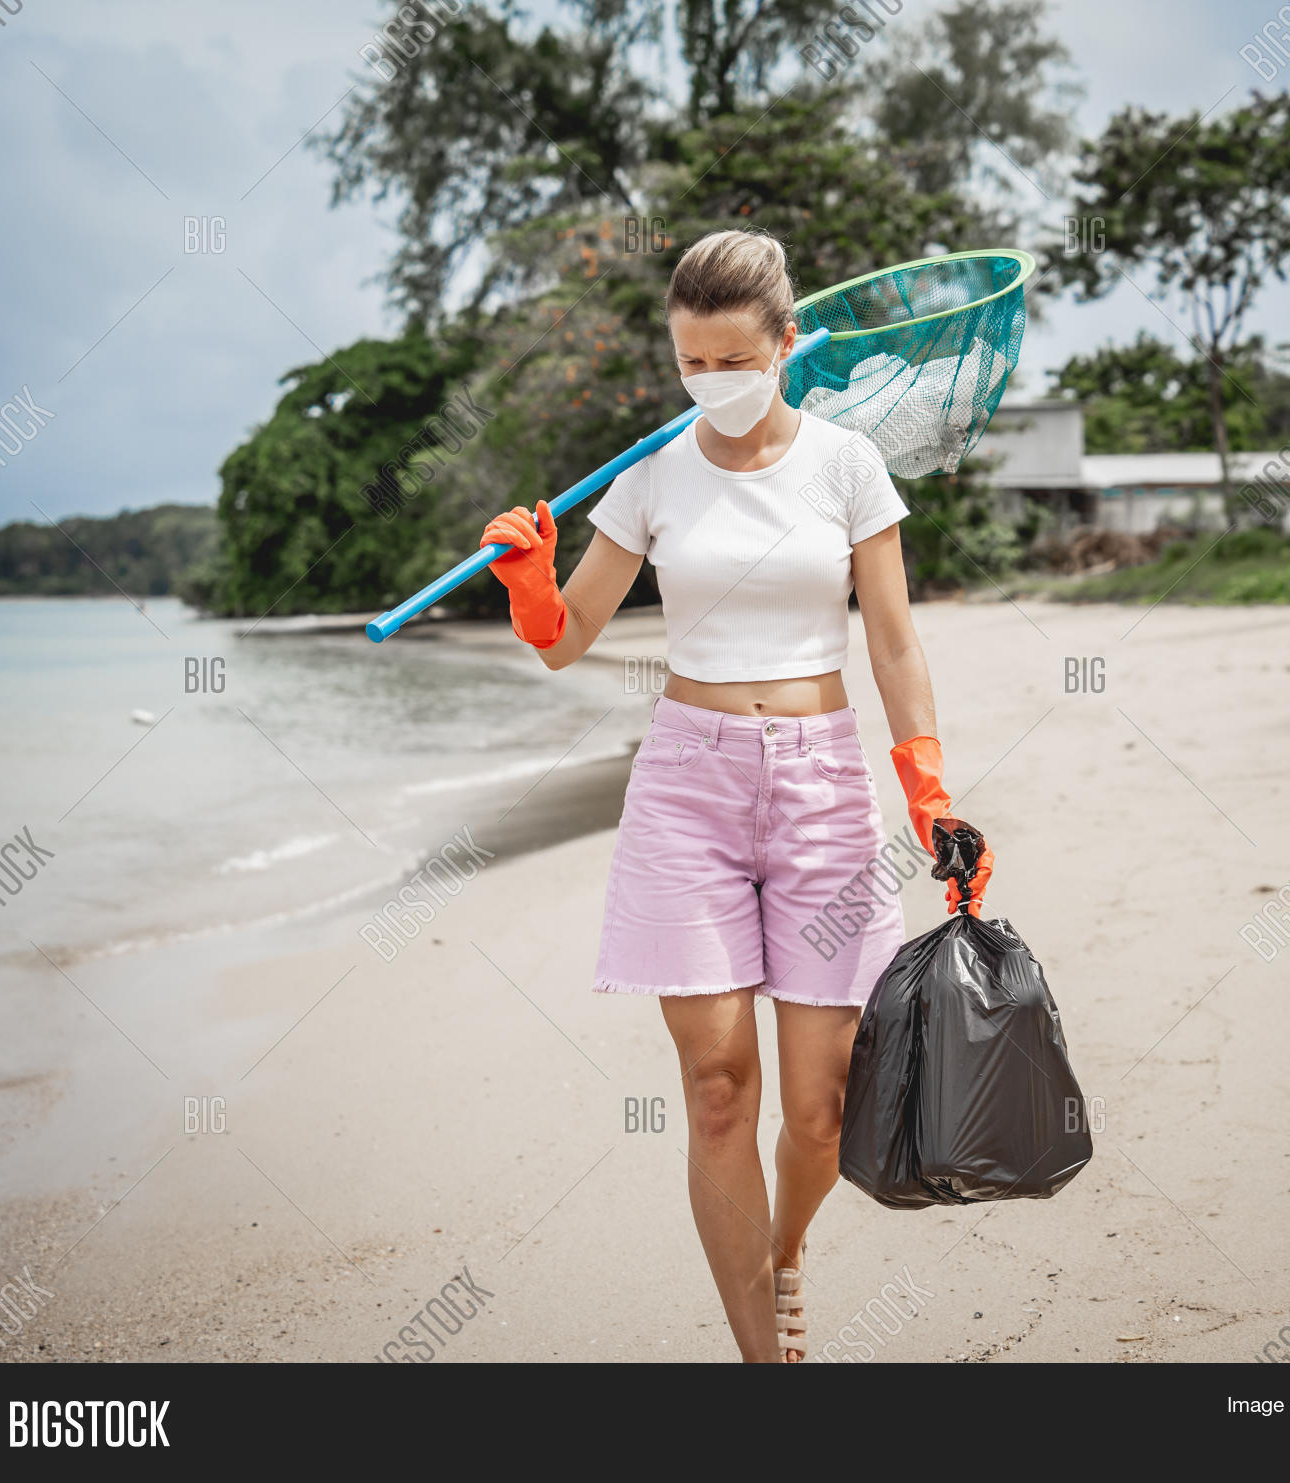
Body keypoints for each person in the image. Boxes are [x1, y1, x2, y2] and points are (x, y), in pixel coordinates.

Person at [479, 228, 992, 1363]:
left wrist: (930, 794)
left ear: (786, 344)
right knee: (718, 1090)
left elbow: (896, 645)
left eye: (731, 360)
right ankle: (766, 1363)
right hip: (687, 792)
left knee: (819, 1112)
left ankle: (786, 1243)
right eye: (690, 363)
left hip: (822, 788)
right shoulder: (651, 475)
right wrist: (529, 585)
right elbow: (568, 641)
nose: (710, 383)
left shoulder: (848, 464)